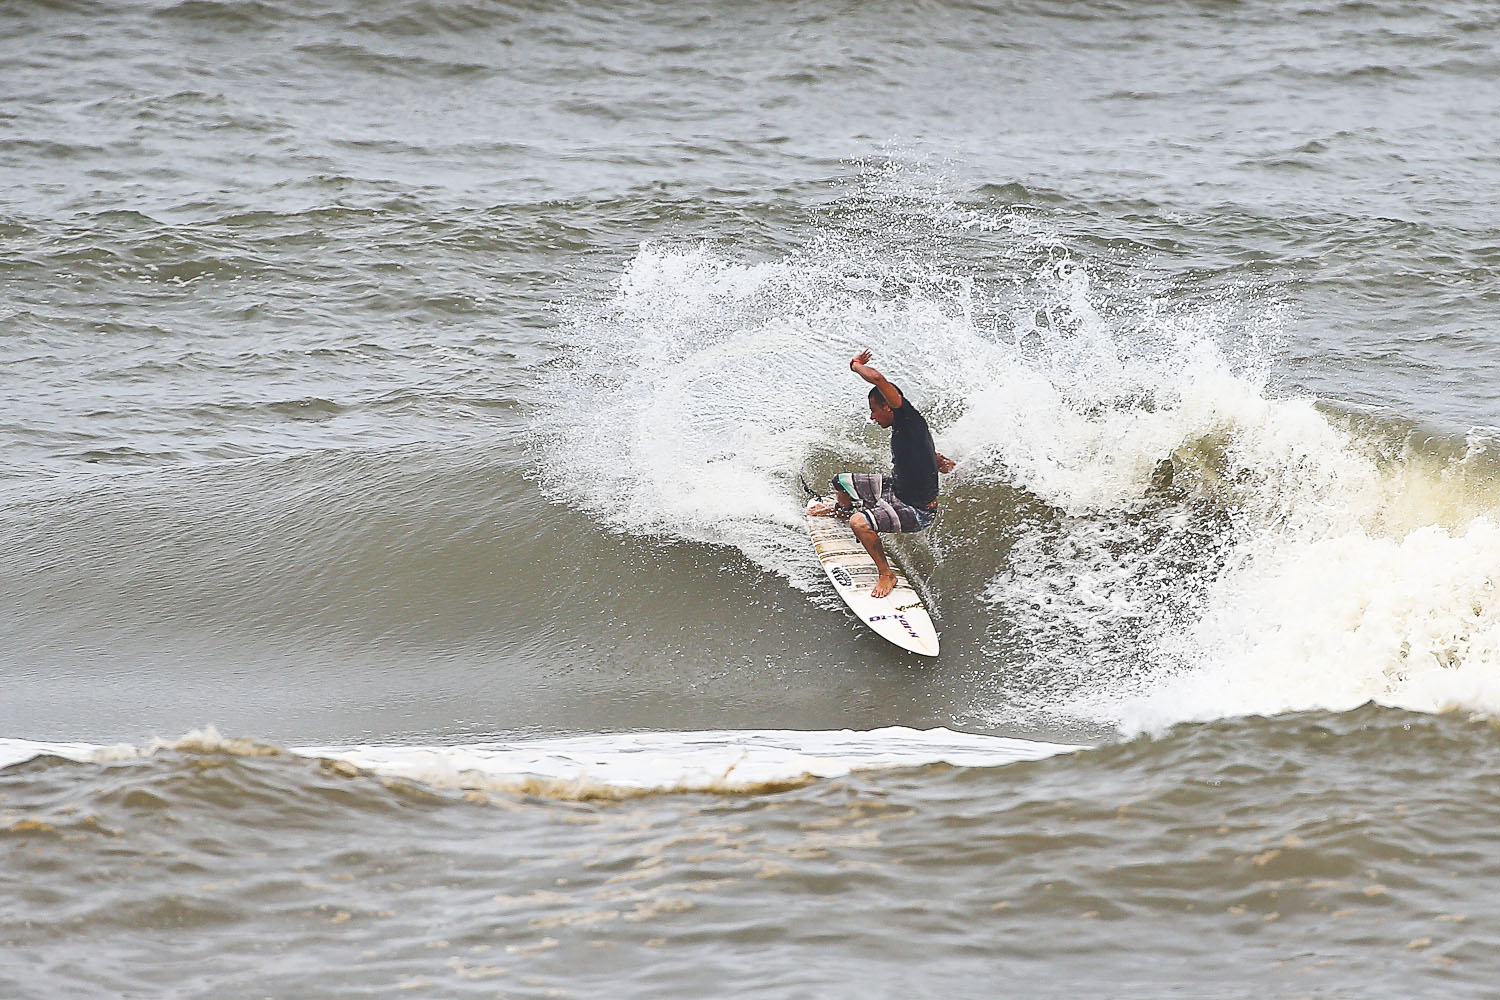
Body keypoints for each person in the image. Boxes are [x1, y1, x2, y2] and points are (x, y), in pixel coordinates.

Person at [809, 350, 955, 598]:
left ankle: (886, 574)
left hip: (917, 511)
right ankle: (842, 511)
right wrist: (944, 464)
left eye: (874, 410)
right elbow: (928, 454)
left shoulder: (907, 417)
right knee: (840, 482)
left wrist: (855, 365)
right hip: (896, 490)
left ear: (888, 406)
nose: (872, 416)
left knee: (860, 523)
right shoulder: (907, 428)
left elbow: (877, 379)